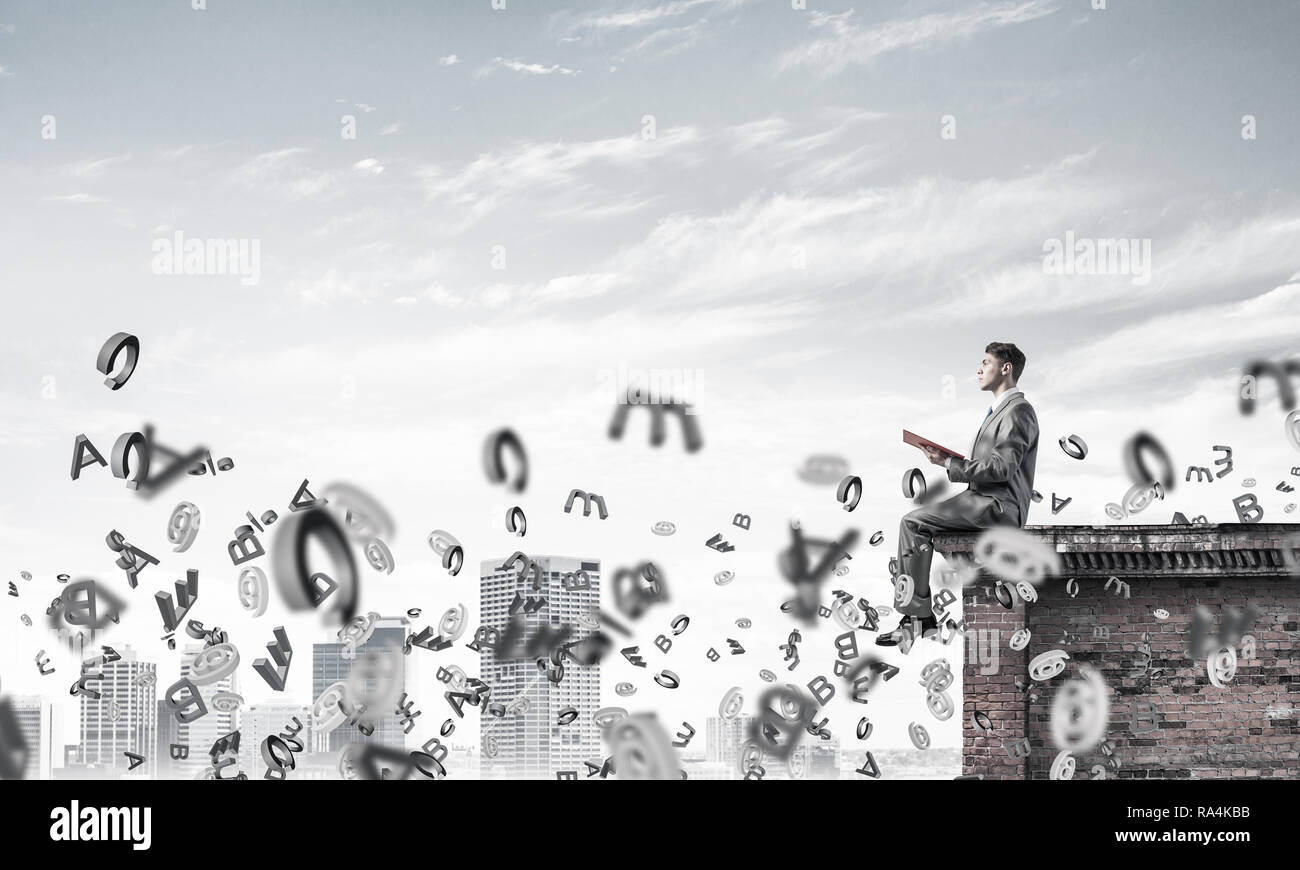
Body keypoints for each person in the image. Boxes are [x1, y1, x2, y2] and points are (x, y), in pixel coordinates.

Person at [877, 342, 1039, 648]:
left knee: (913, 523)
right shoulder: (1000, 411)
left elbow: (1002, 468)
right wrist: (947, 460)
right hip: (981, 498)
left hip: (997, 506)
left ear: (1006, 368)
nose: (979, 369)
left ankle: (918, 619)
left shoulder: (1018, 411)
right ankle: (922, 616)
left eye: (985, 362)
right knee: (919, 524)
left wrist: (951, 463)